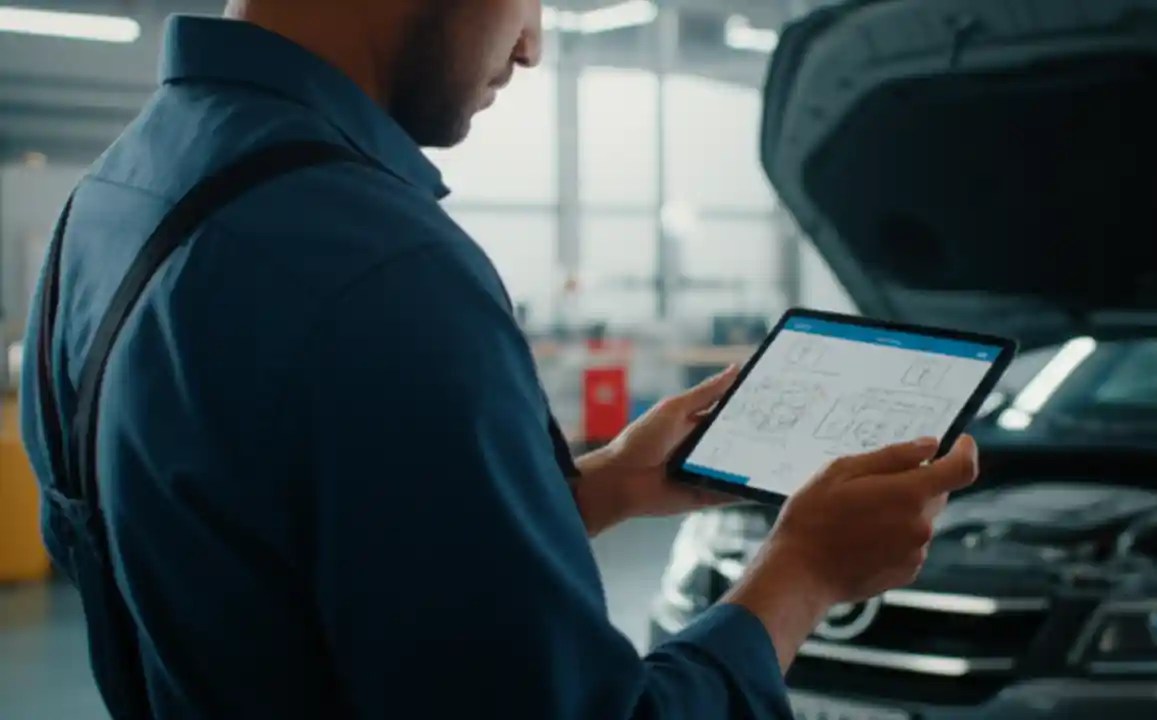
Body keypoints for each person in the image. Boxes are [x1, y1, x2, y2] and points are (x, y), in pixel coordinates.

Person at [18, 1, 980, 718]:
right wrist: (805, 572)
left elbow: (260, 568)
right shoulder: (383, 269)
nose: (530, 46)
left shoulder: (110, 208)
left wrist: (601, 486)